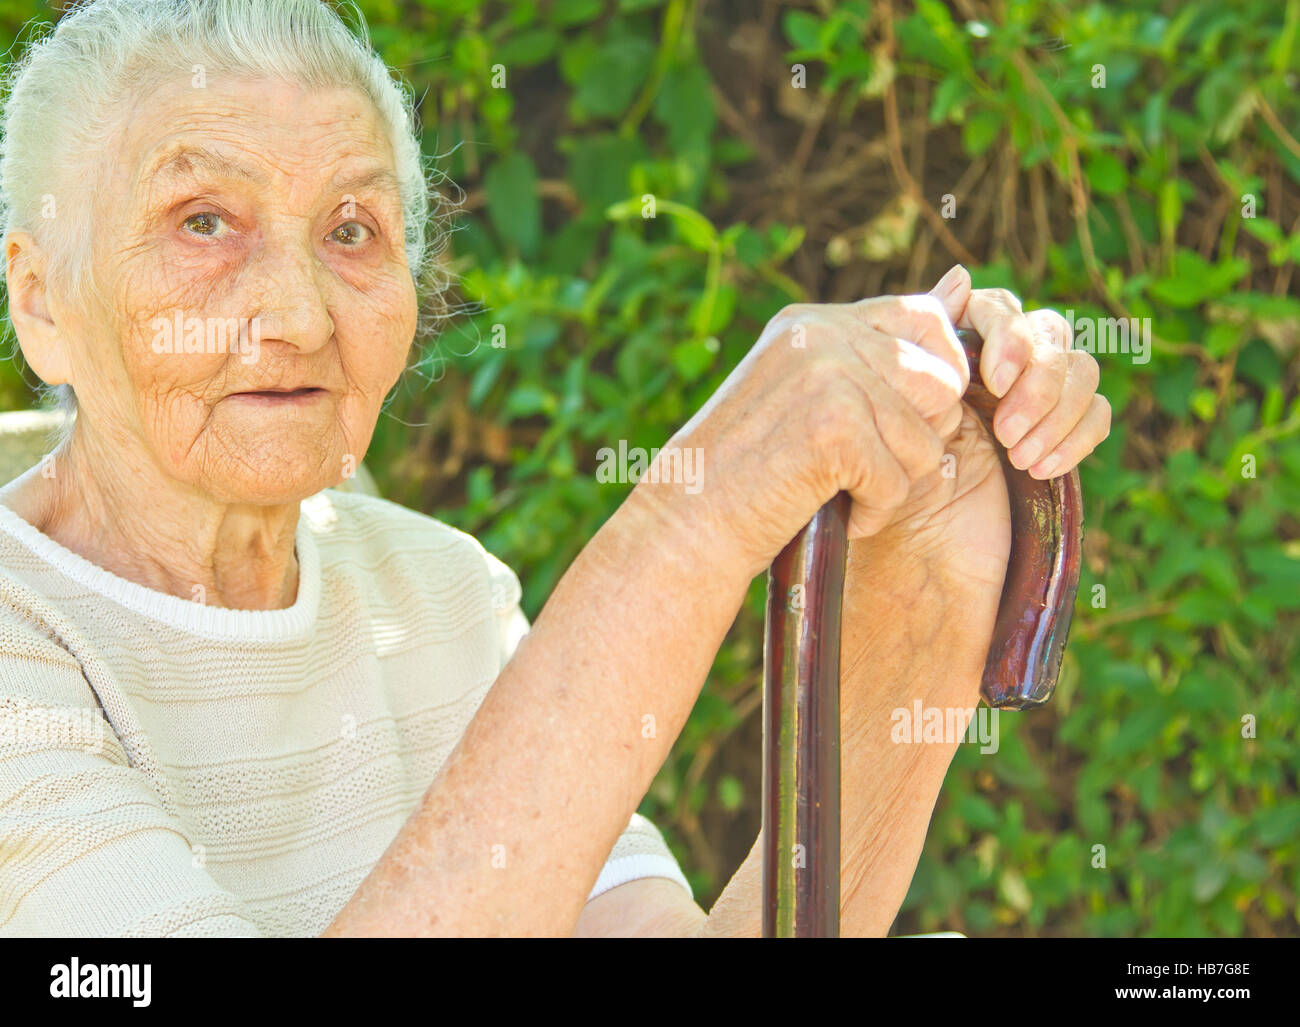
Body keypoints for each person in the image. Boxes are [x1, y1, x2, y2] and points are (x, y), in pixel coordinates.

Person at [0, 0, 1109, 936]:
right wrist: (694, 516)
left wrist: (927, 594)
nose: (296, 313)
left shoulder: (437, 592)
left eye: (351, 231)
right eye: (203, 221)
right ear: (41, 298)